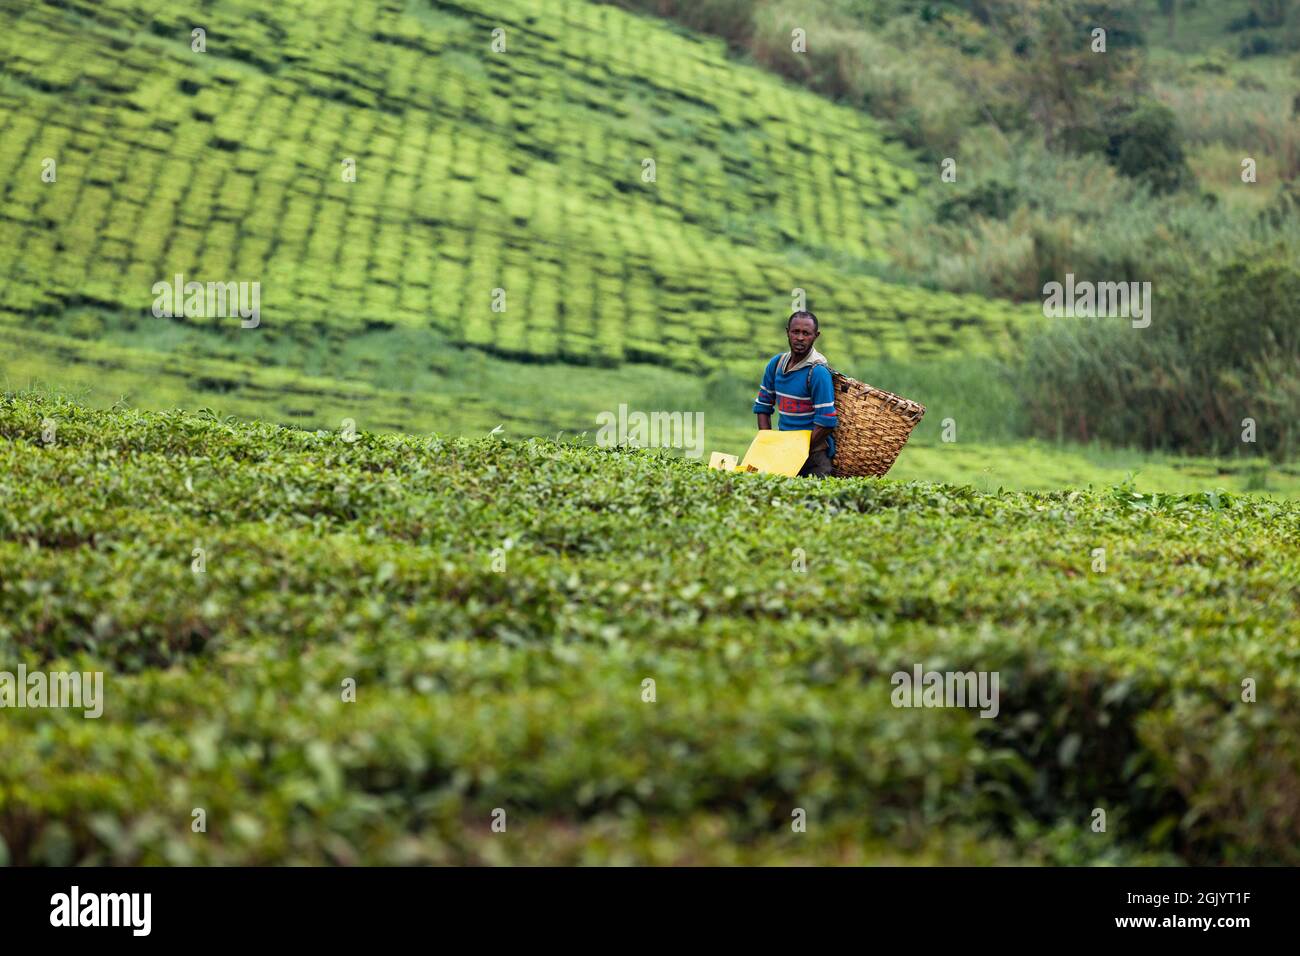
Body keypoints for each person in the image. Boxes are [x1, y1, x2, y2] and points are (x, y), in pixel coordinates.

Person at [752, 311, 838, 477]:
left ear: (815, 336)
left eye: (806, 333)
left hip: (814, 456)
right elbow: (762, 406)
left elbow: (827, 421)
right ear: (787, 332)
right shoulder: (776, 364)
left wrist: (798, 449)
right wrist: (768, 443)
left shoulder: (818, 372)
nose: (800, 338)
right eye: (795, 332)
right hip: (784, 451)